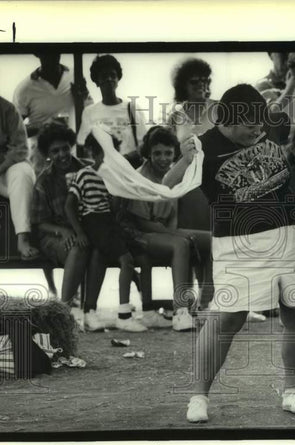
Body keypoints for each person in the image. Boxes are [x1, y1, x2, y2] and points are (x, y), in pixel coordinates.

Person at [163, 84, 295, 423]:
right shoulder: (203, 147)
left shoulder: (265, 123)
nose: (259, 131)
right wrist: (184, 160)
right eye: (250, 126)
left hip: (293, 231)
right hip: (239, 242)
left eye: (261, 124)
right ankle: (199, 396)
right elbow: (168, 187)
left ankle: (292, 390)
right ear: (228, 120)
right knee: (227, 317)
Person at [167, 58, 267, 323]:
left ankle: (223, 302)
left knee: (219, 240)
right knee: (200, 248)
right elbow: (171, 162)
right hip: (193, 186)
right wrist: (186, 158)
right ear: (183, 85)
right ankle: (188, 308)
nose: (201, 85)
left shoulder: (220, 109)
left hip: (223, 182)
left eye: (204, 80)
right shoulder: (177, 115)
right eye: (194, 81)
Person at [65, 132, 165, 331]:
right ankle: (123, 315)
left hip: (108, 222)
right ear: (93, 152)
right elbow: (69, 206)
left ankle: (140, 310)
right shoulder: (84, 174)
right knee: (126, 260)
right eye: (105, 153)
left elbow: (113, 207)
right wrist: (80, 233)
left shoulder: (110, 177)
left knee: (141, 257)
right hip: (93, 221)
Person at [118, 126, 214, 331]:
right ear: (148, 154)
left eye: (168, 153)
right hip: (137, 235)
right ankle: (181, 313)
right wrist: (175, 235)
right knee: (181, 244)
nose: (163, 158)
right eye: (157, 153)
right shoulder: (140, 176)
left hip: (163, 232)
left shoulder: (173, 174)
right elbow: (141, 222)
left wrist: (175, 232)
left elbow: (172, 216)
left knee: (214, 241)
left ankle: (205, 306)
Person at [31, 123, 108, 330]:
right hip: (54, 235)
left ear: (71, 146)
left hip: (88, 232)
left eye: (65, 148)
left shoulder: (88, 169)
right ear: (48, 154)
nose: (62, 154)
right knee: (80, 246)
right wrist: (64, 231)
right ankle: (63, 313)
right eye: (55, 151)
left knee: (97, 250)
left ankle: (90, 312)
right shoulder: (44, 181)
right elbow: (39, 222)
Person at [0, 55, 40, 261]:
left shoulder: (7, 109)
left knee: (23, 172)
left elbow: (20, 148)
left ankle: (22, 238)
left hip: (2, 169)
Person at [13, 49, 92, 172]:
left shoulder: (75, 76)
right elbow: (14, 131)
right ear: (37, 53)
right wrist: (42, 127)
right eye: (46, 51)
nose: (52, 55)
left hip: (73, 155)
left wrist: (83, 97)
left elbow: (90, 113)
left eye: (56, 50)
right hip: (42, 161)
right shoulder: (25, 89)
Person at [77, 55, 147, 160]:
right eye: (104, 76)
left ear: (118, 79)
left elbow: (144, 145)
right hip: (103, 172)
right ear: (97, 81)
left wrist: (123, 161)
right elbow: (84, 146)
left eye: (113, 75)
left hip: (129, 169)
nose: (109, 79)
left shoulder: (132, 108)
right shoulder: (89, 112)